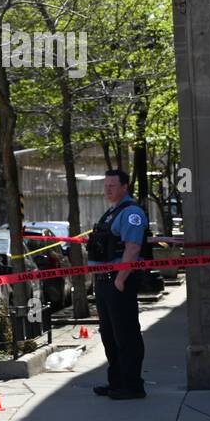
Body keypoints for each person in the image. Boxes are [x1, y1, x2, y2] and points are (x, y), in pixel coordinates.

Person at [86, 169, 149, 400]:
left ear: (125, 187)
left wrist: (121, 280)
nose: (108, 189)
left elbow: (132, 248)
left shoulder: (131, 213)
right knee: (109, 335)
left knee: (126, 334)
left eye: (112, 186)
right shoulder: (111, 212)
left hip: (119, 281)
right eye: (106, 186)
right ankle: (117, 382)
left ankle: (133, 385)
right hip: (105, 281)